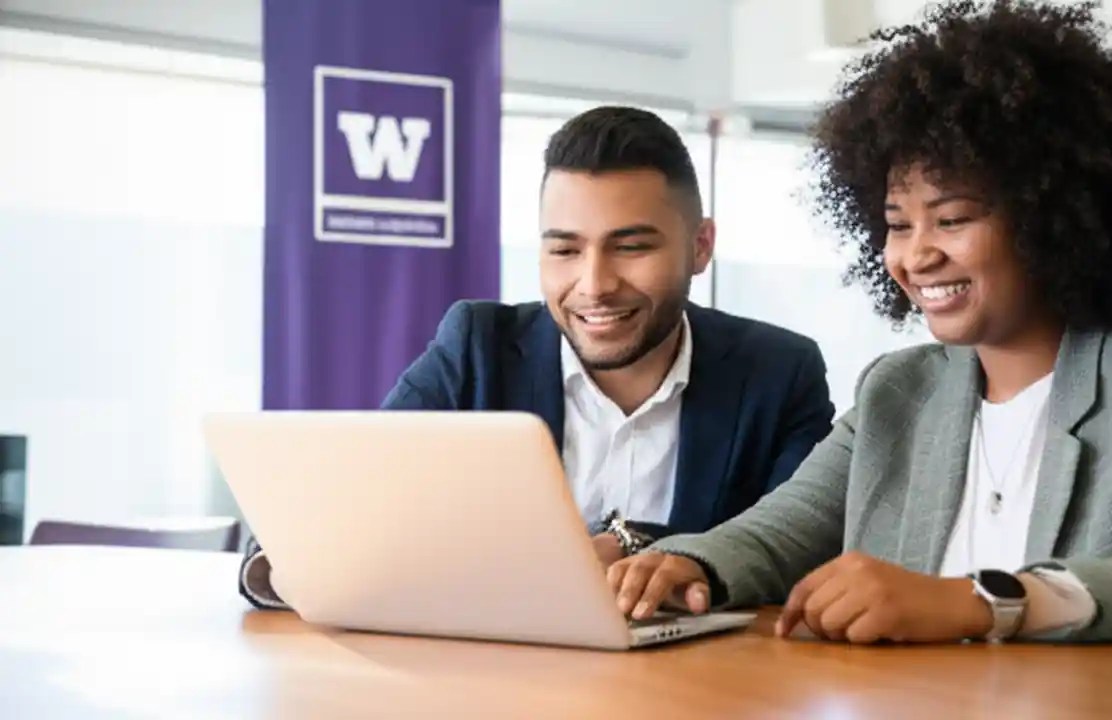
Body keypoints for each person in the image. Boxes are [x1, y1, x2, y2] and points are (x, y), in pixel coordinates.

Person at [608, 0, 1112, 658]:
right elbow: (776, 533)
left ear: (1055, 216)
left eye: (952, 219)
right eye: (899, 224)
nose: (916, 254)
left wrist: (976, 601)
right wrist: (683, 566)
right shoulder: (899, 390)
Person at [239, 106, 836, 609]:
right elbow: (336, 502)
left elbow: (800, 550)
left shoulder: (777, 372)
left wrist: (639, 546)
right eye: (565, 249)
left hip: (700, 686)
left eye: (630, 248)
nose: (594, 284)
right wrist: (294, 558)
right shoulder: (477, 346)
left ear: (700, 246)